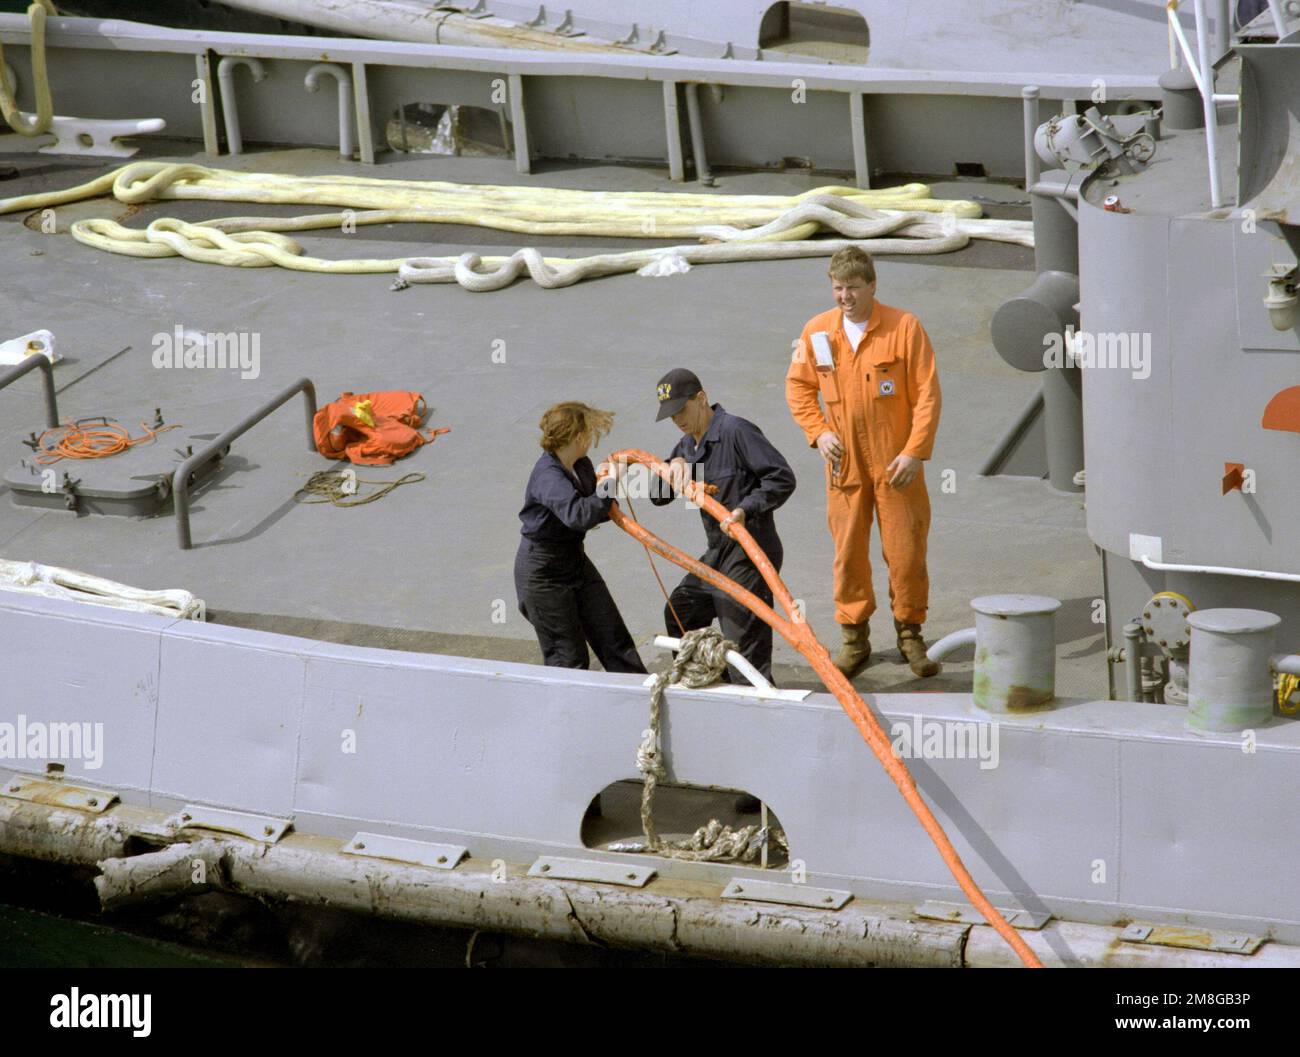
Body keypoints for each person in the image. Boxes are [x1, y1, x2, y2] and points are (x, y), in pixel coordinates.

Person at [786, 246, 942, 679]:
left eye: (853, 288)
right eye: (838, 288)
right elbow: (798, 389)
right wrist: (820, 432)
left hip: (898, 464)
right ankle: (854, 638)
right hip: (845, 466)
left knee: (906, 551)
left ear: (873, 285)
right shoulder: (817, 333)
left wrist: (914, 451)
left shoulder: (904, 328)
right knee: (848, 552)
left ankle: (910, 634)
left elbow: (927, 395)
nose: (845, 297)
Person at [649, 368, 795, 684]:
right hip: (718, 552)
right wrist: (671, 466)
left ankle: (753, 701)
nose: (677, 421)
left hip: (750, 552)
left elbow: (782, 477)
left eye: (681, 410)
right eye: (671, 416)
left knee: (744, 648)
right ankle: (709, 683)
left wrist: (746, 508)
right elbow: (657, 497)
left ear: (701, 399)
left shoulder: (737, 431)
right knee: (680, 613)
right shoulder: (687, 445)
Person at [514, 402, 646, 674]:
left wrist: (607, 494)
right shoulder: (548, 476)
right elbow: (579, 514)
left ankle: (641, 702)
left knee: (613, 638)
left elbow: (594, 504)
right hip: (543, 576)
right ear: (577, 437)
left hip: (574, 561)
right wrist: (609, 485)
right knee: (568, 657)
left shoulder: (580, 464)